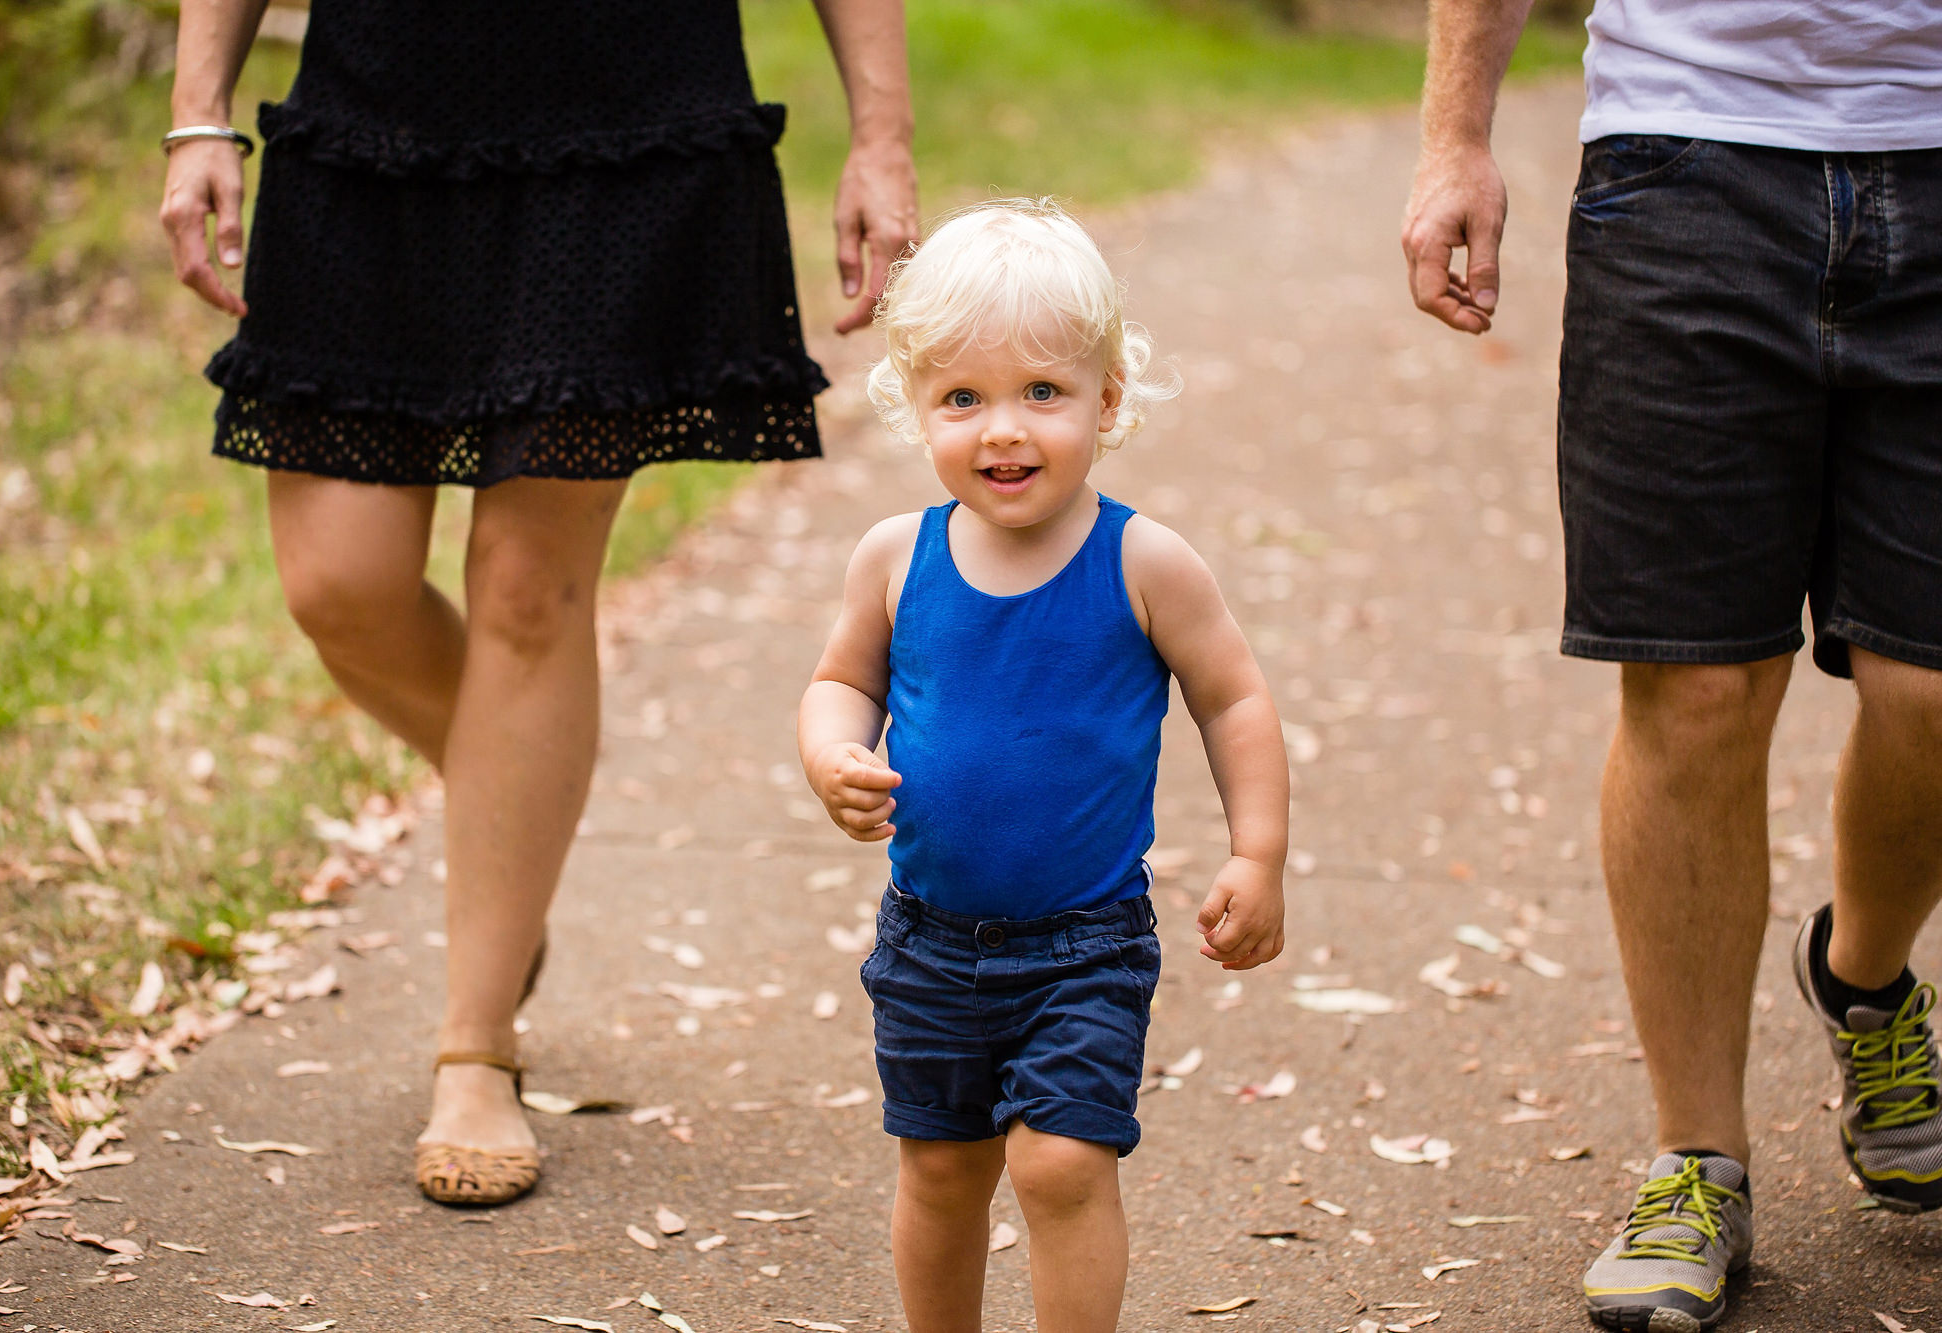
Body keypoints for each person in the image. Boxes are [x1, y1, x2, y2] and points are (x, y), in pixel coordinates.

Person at [160, 0, 916, 1206]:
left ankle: (475, 1051)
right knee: (338, 583)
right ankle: (507, 804)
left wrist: (882, 136)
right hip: (373, 114)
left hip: (624, 127)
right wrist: (197, 111)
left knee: (527, 589)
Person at [1403, 2, 1942, 1328]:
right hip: (1687, 156)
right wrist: (1453, 135)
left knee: (1931, 687)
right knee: (1695, 682)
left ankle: (1863, 980)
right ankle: (1700, 1158)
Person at [797, 200, 1290, 1333]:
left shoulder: (1142, 561)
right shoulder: (893, 557)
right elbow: (841, 682)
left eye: (1041, 393)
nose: (1001, 429)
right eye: (961, 397)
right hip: (927, 938)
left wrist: (1256, 852)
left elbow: (1234, 698)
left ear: (1105, 399)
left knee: (1061, 1165)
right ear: (914, 404)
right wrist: (832, 752)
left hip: (1084, 942)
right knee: (939, 1170)